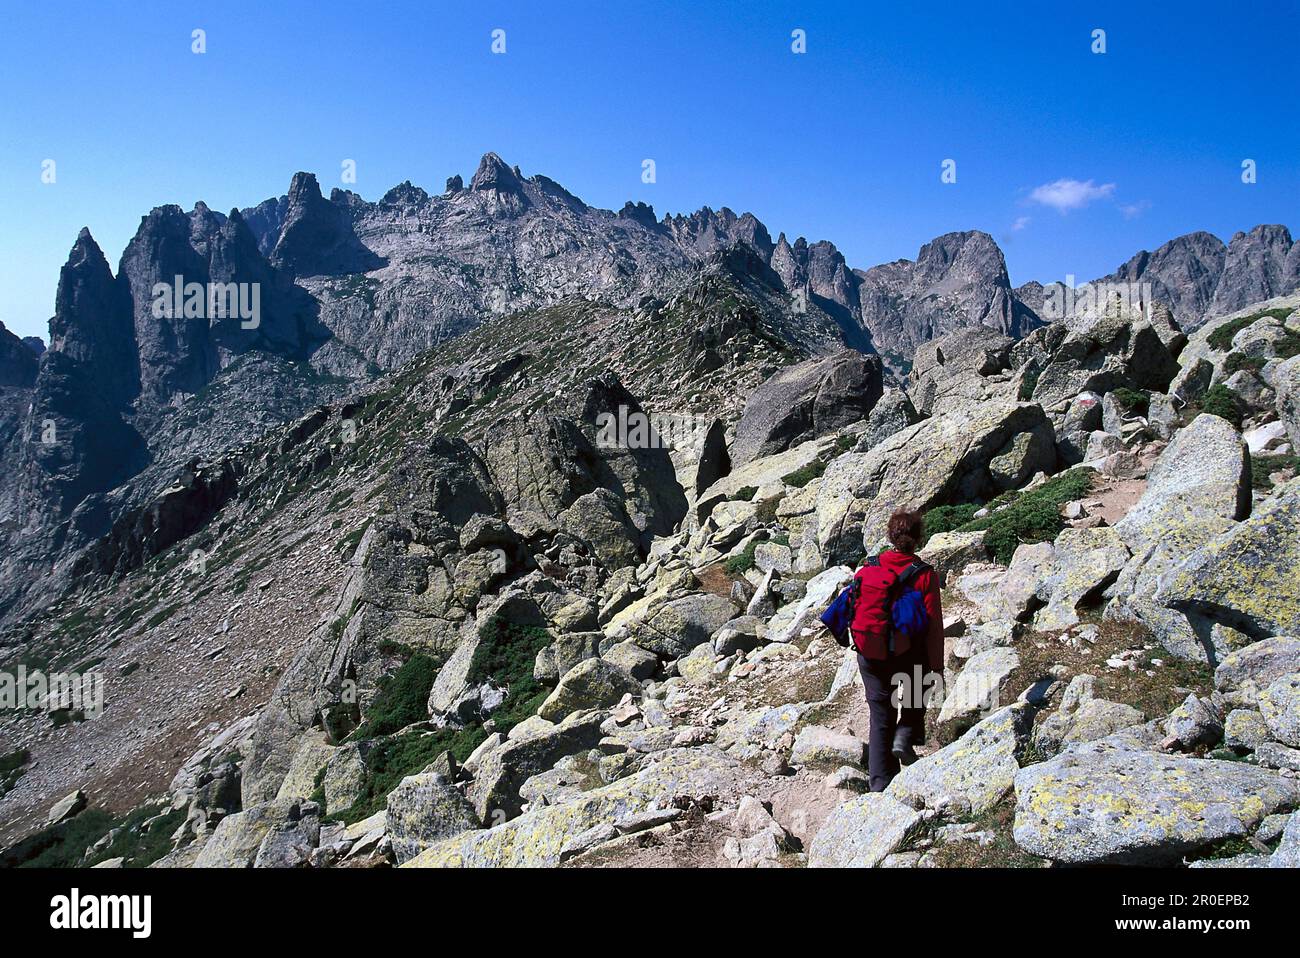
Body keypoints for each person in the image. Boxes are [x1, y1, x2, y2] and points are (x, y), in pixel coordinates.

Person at [850, 509, 944, 792]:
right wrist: (936, 666)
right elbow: (933, 628)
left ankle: (880, 785)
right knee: (922, 681)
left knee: (880, 717)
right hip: (905, 655)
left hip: (869, 652)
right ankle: (905, 734)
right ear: (918, 539)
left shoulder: (869, 565)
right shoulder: (925, 575)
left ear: (890, 536)